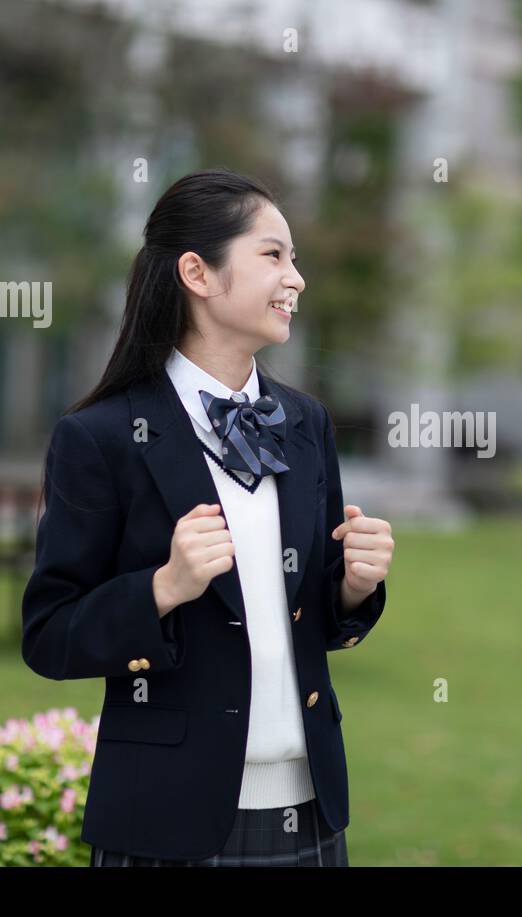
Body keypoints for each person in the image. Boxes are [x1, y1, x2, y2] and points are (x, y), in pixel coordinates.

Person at [22, 168, 394, 866]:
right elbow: (49, 636)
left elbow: (310, 613)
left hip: (308, 805)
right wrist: (162, 587)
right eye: (273, 255)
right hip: (165, 815)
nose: (298, 278)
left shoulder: (305, 422)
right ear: (198, 271)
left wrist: (353, 587)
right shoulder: (100, 438)